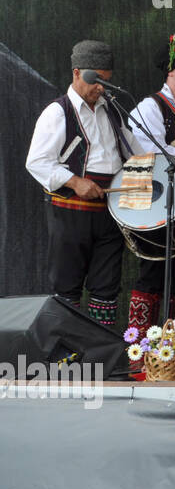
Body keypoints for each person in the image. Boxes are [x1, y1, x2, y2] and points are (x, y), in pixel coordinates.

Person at [26, 40, 141, 330]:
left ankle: (100, 353)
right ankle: (66, 354)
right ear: (77, 73)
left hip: (111, 212)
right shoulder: (57, 112)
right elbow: (37, 162)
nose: (101, 87)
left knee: (106, 286)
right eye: (96, 80)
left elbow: (136, 153)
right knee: (67, 286)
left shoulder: (112, 111)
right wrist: (75, 181)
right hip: (70, 210)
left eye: (106, 80)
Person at [123, 32, 175, 370]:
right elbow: (151, 153)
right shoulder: (149, 107)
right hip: (162, 203)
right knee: (154, 272)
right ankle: (139, 353)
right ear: (171, 71)